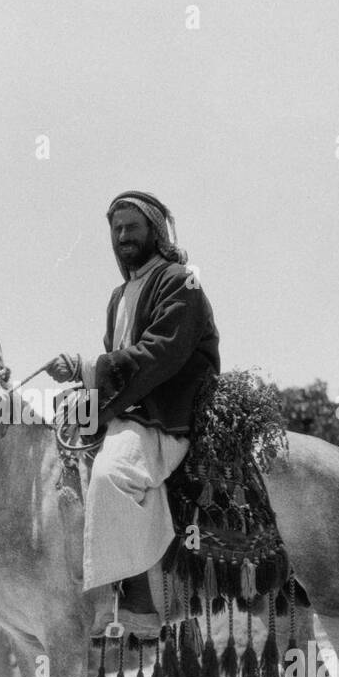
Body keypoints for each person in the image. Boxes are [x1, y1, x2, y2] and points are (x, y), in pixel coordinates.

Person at [45, 191, 220, 636]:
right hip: (130, 410)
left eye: (132, 227)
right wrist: (81, 394)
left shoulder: (181, 281)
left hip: (166, 413)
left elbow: (161, 355)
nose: (123, 236)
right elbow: (117, 373)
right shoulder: (118, 297)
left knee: (110, 475)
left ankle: (139, 601)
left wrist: (87, 368)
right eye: (116, 229)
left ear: (155, 232)